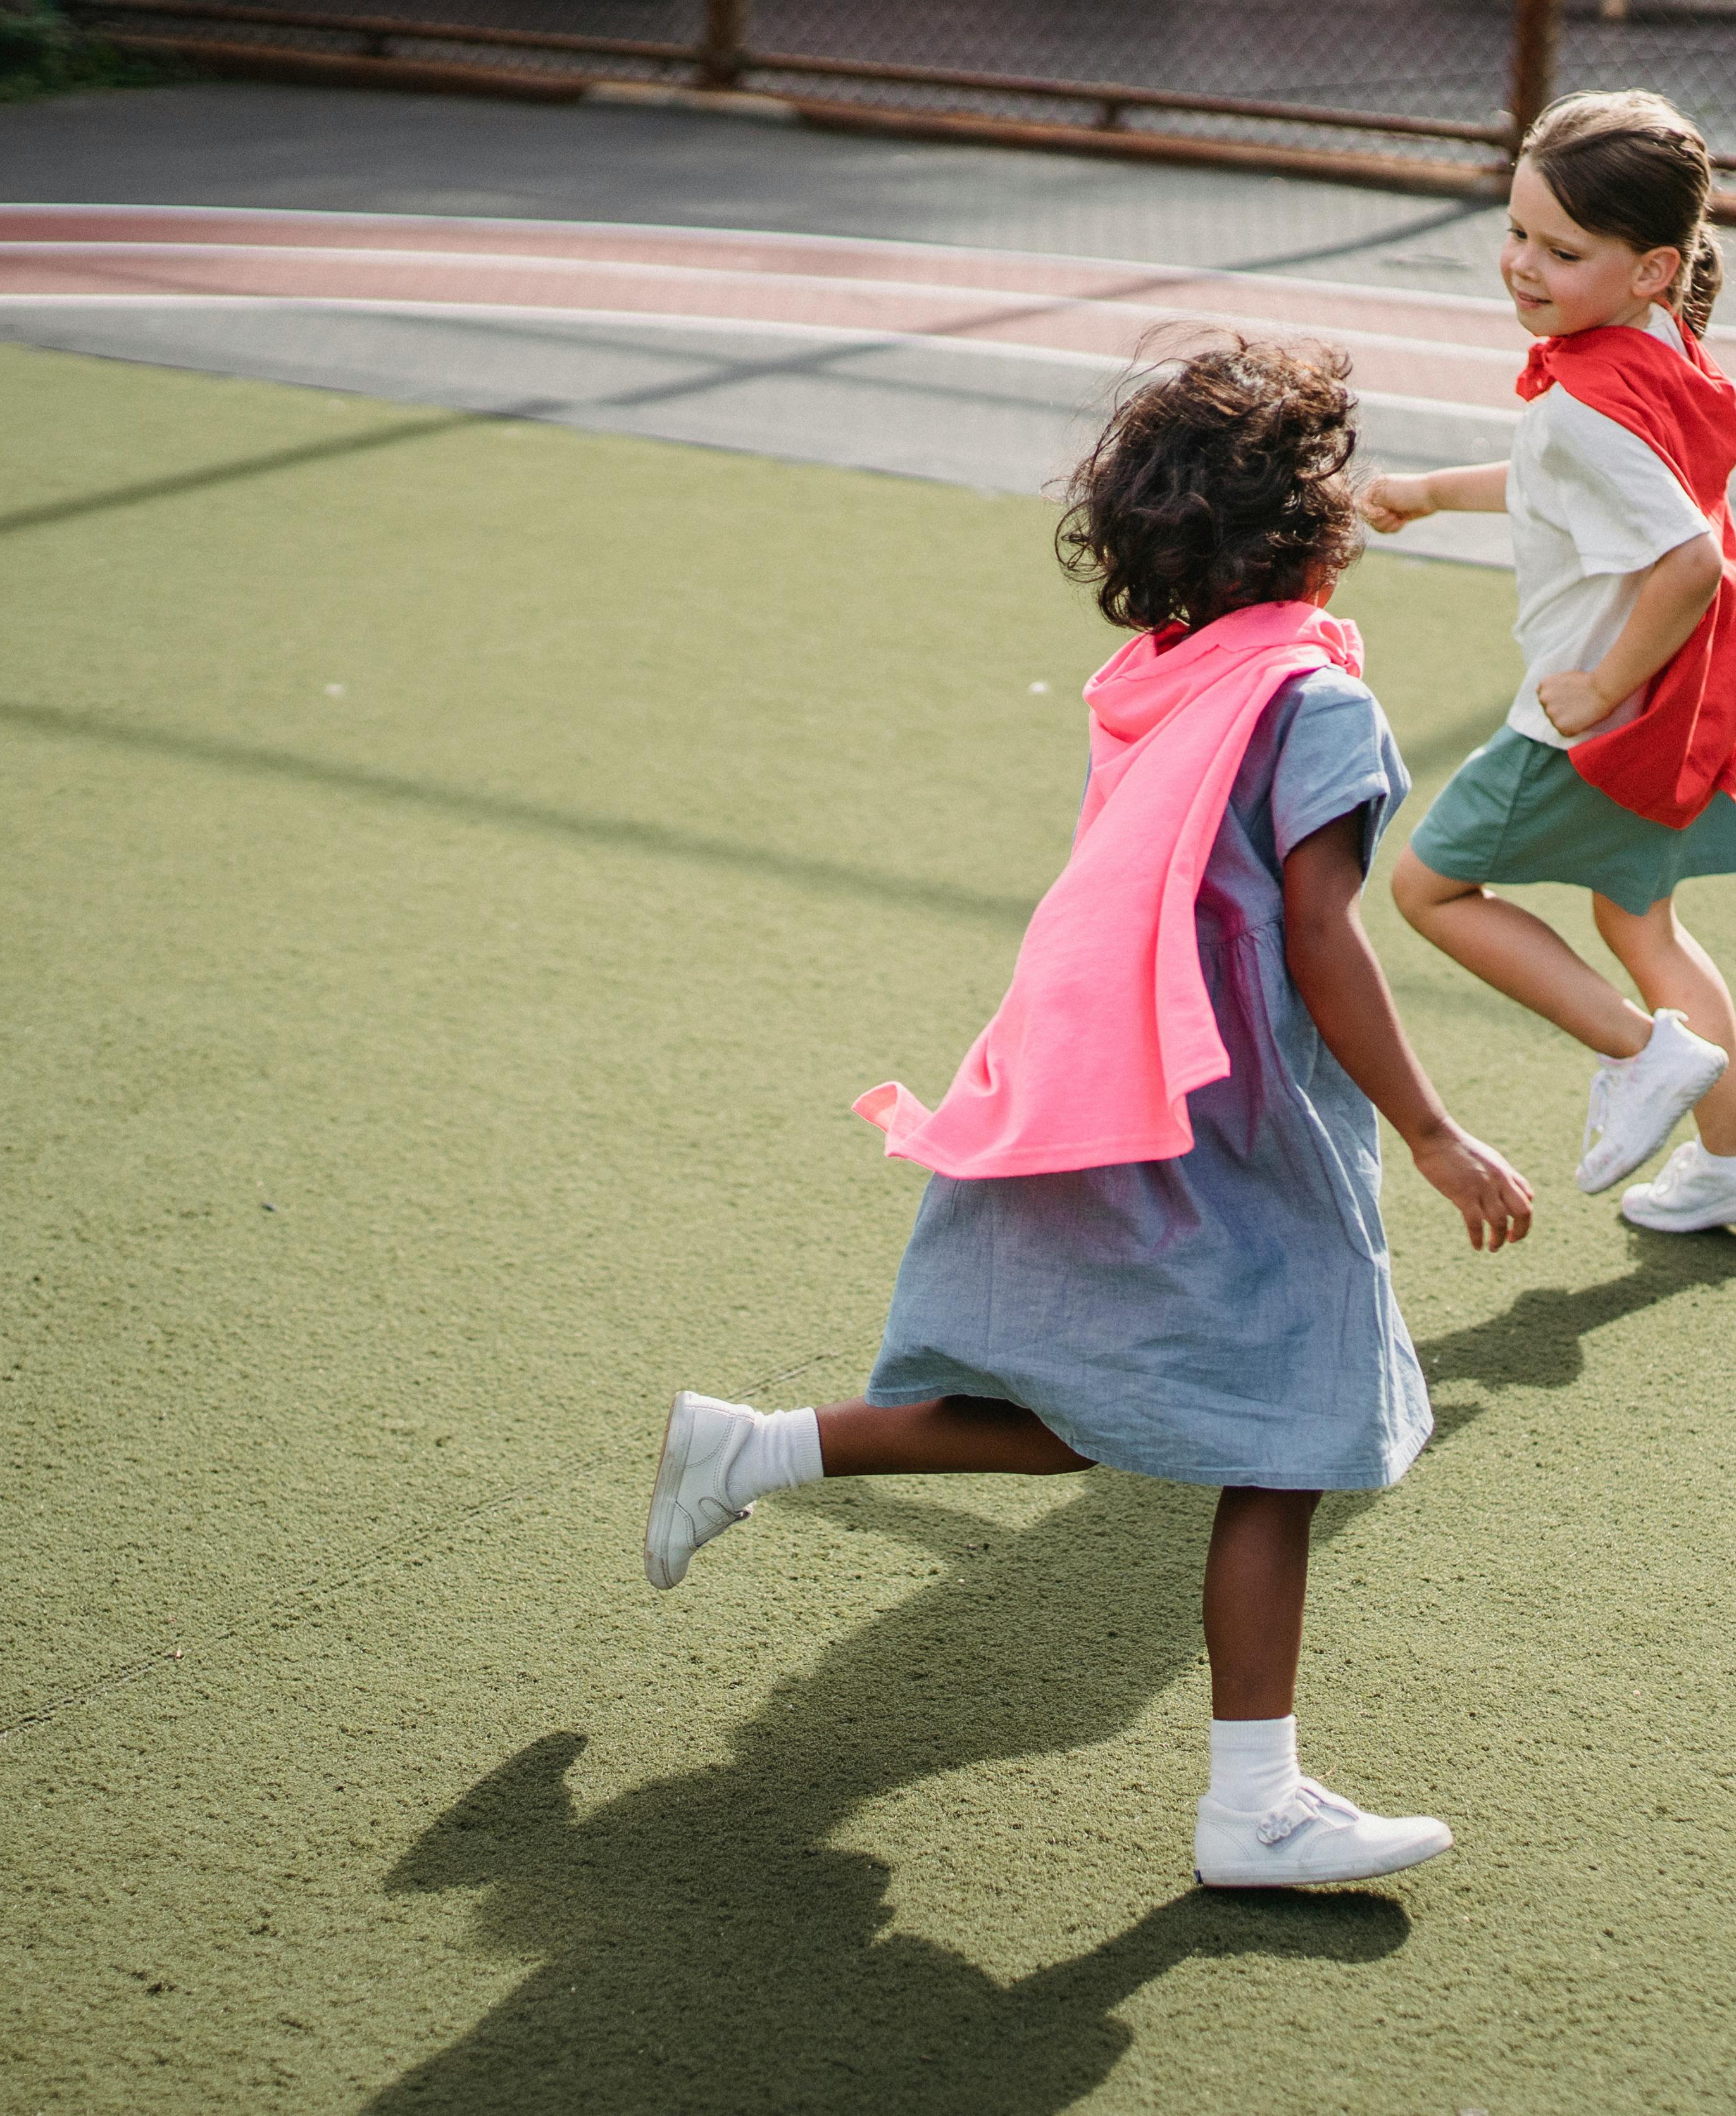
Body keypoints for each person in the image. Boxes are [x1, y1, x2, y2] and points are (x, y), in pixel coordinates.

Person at [642, 338, 1535, 1891]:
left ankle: (755, 1449)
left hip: (1120, 1085)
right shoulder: (1312, 700)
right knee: (1289, 1432)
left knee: (1097, 1410)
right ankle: (1252, 1805)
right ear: (1311, 534)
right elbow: (1320, 935)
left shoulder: (1165, 677)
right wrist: (1431, 1128)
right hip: (1238, 1122)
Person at [1361, 89, 1736, 1236]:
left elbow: (1687, 558)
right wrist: (1431, 492)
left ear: (1653, 268)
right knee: (1639, 924)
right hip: (1687, 703)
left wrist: (1601, 687)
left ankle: (1638, 1052)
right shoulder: (1655, 348)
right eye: (1516, 232)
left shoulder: (1582, 405)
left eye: (1561, 251)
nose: (1523, 264)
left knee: (1427, 888)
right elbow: (1565, 480)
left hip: (1595, 721)